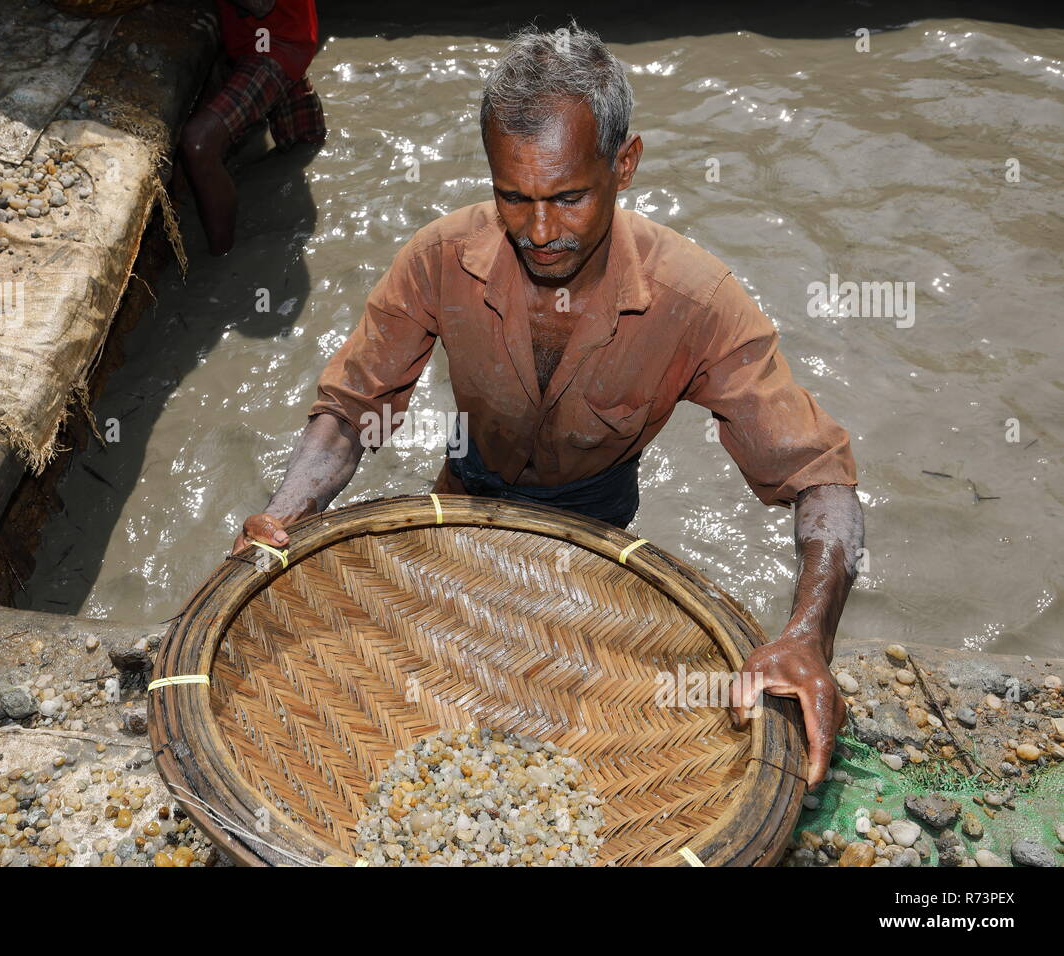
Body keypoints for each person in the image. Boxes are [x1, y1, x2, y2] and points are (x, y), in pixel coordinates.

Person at [233, 23, 864, 787]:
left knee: (557, 721)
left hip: (591, 520)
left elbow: (819, 477)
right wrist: (286, 514)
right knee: (428, 702)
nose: (539, 232)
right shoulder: (440, 257)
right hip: (463, 495)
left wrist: (806, 634)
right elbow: (352, 408)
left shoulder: (696, 300)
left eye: (569, 198)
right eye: (513, 197)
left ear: (624, 165)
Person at [179, 0, 325, 255]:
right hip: (264, 36)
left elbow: (261, 4)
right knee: (304, 146)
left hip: (278, 43)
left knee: (199, 143)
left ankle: (222, 259)